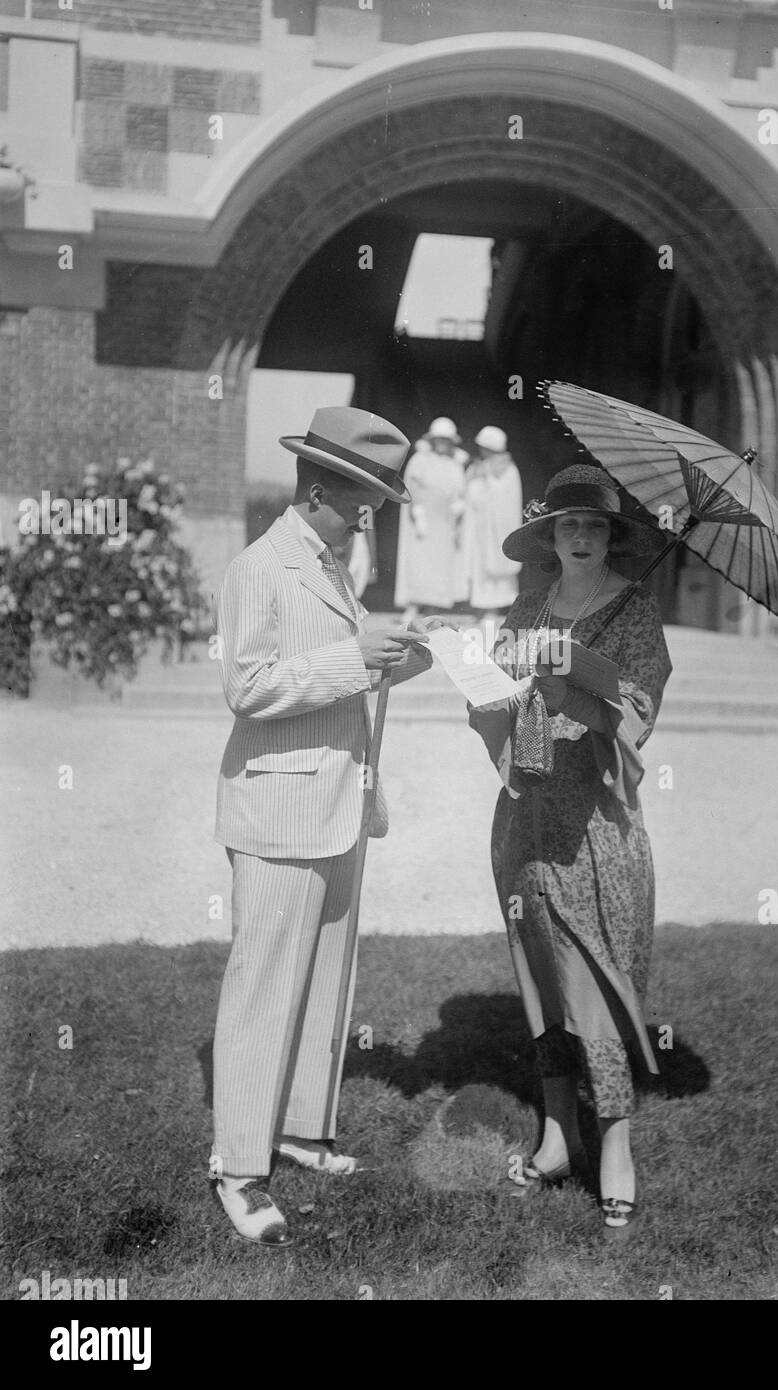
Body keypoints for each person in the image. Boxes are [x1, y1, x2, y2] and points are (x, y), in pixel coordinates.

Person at [210, 405, 440, 1247]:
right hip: (277, 806)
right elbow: (249, 688)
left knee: (322, 981)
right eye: (360, 501)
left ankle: (299, 1127)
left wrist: (401, 662)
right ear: (315, 489)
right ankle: (239, 1167)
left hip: (338, 800)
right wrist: (356, 658)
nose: (366, 517)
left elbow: (341, 671)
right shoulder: (258, 568)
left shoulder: (333, 564)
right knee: (265, 984)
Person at [469, 464, 671, 1237]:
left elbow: (640, 712)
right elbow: (501, 702)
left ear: (612, 535)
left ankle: (615, 1144)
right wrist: (500, 688)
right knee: (542, 976)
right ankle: (559, 1134)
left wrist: (579, 695)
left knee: (599, 974)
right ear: (549, 536)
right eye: (567, 525)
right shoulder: (526, 605)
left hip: (596, 819)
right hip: (525, 810)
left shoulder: (635, 610)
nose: (580, 536)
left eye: (594, 525)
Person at [393, 416, 468, 623]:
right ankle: (413, 607)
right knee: (419, 563)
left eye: (447, 440)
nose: (442, 444)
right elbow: (413, 485)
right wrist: (417, 513)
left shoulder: (455, 463)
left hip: (444, 522)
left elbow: (460, 490)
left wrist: (458, 505)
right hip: (424, 520)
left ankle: (432, 609)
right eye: (439, 439)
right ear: (433, 440)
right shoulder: (421, 459)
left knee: (440, 564)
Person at [460, 425, 523, 633]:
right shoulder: (478, 466)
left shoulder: (508, 470)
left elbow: (505, 500)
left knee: (496, 568)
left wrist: (488, 484)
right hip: (478, 528)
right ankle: (480, 609)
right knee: (478, 567)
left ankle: (493, 610)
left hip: (496, 529)